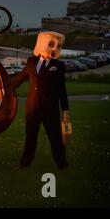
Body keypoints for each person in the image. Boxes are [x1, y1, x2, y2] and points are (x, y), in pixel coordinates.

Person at [11, 31, 70, 170]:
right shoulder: (32, 61)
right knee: (30, 136)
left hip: (50, 108)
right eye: (51, 44)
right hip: (32, 107)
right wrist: (5, 90)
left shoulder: (58, 66)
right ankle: (25, 164)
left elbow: (62, 90)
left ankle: (62, 164)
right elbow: (19, 78)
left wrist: (65, 110)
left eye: (58, 45)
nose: (54, 48)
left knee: (55, 137)